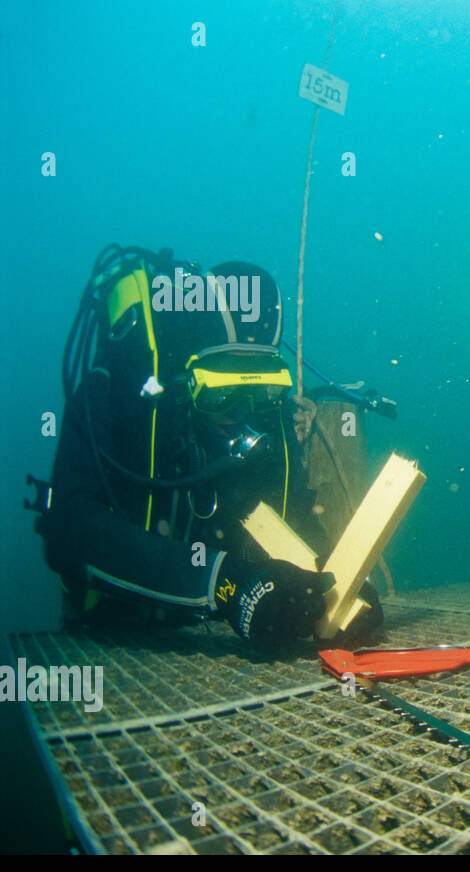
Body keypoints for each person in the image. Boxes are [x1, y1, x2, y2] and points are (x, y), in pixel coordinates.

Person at [34, 246, 382, 651]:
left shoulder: (268, 417)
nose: (243, 413)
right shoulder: (116, 395)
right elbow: (70, 530)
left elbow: (296, 520)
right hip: (113, 638)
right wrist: (221, 582)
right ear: (186, 379)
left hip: (220, 639)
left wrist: (341, 587)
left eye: (261, 392)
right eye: (223, 394)